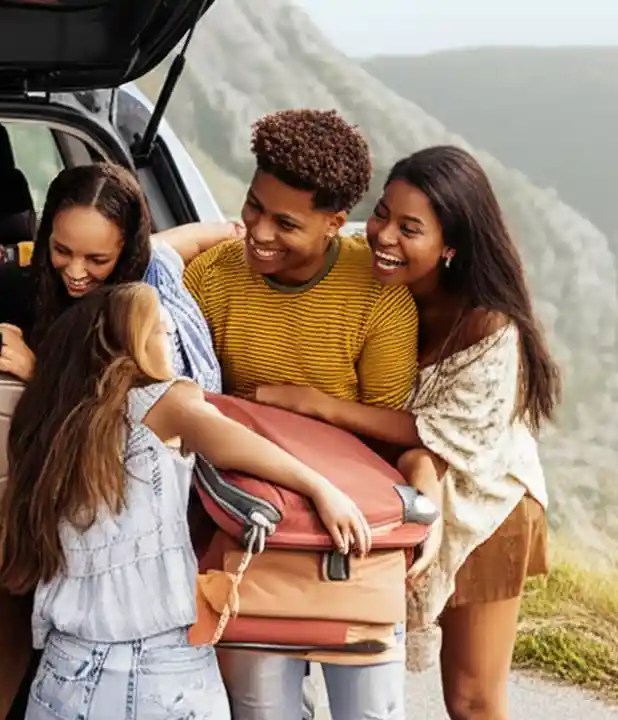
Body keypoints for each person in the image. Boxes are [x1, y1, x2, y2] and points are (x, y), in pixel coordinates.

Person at [256, 145, 562, 720]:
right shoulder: (367, 268)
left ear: (450, 246)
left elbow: (434, 431)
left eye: (409, 229)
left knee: (473, 700)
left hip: (486, 508)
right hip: (398, 494)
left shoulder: (490, 326)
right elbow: (277, 233)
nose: (383, 235)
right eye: (381, 214)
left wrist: (319, 406)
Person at [0, 282, 371, 720]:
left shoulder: (52, 424)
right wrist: (320, 486)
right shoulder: (162, 401)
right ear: (130, 345)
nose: (171, 340)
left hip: (63, 671)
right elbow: (229, 442)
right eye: (162, 331)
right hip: (158, 669)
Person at [181, 107, 419, 720]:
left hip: (356, 538)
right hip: (256, 532)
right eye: (254, 206)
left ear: (336, 224)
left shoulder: (377, 295)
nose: (257, 230)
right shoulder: (213, 276)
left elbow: (389, 433)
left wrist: (305, 406)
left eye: (285, 222)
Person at [0, 162, 237, 392]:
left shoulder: (150, 325)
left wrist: (35, 372)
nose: (75, 272)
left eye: (97, 260)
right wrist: (232, 231)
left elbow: (131, 419)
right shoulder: (151, 253)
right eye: (62, 250)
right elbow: (186, 240)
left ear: (126, 251)